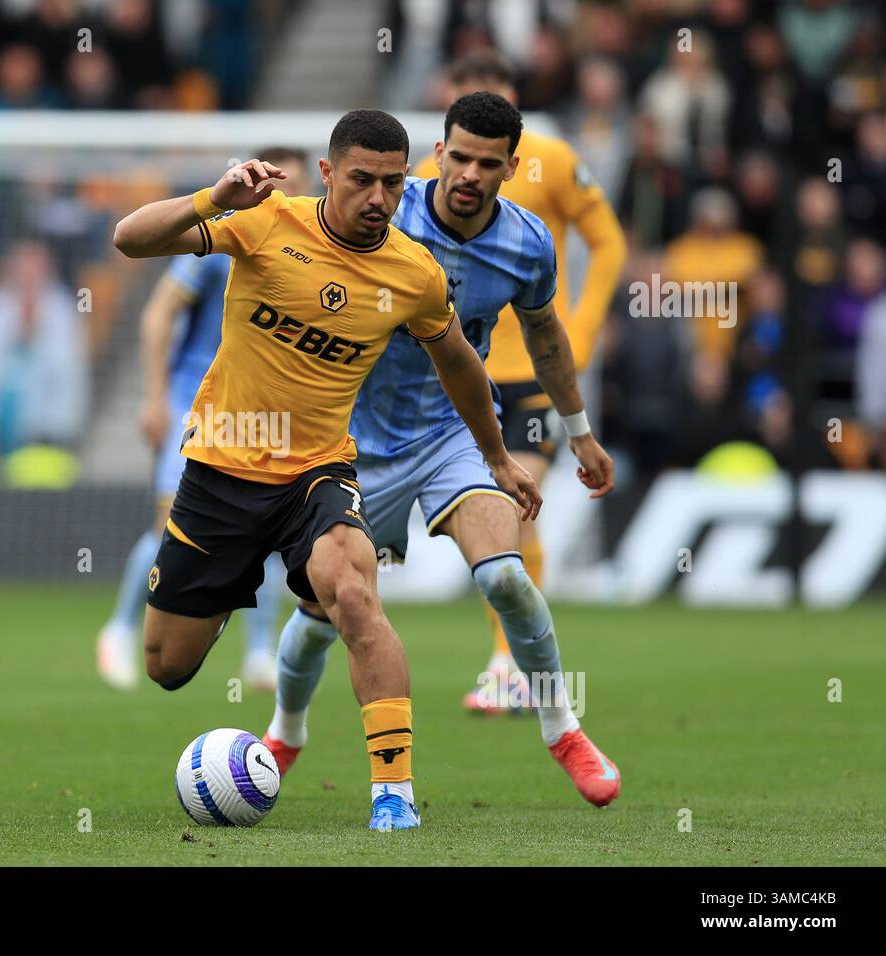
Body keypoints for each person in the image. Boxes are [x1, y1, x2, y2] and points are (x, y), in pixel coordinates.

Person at [112, 109, 542, 830]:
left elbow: (462, 365)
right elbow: (129, 240)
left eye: (394, 183)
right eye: (362, 180)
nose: (378, 197)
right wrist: (214, 197)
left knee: (353, 594)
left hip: (319, 474)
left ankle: (394, 792)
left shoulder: (412, 272)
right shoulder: (265, 221)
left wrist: (496, 454)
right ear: (328, 174)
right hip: (220, 471)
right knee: (166, 667)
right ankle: (224, 594)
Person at [263, 92, 622, 808]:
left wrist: (578, 431)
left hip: (457, 433)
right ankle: (285, 732)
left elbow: (546, 336)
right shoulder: (386, 214)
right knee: (324, 612)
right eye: (458, 156)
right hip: (352, 444)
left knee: (506, 578)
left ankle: (562, 728)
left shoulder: (526, 243)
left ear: (511, 168)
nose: (469, 174)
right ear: (437, 154)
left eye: (488, 164)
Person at [415, 52, 627, 713]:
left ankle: (508, 664)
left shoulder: (554, 160)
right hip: (457, 381)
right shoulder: (424, 179)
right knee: (481, 521)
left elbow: (609, 242)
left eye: (493, 95)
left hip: (533, 373)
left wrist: (583, 326)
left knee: (515, 511)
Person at [95, 147, 311, 693]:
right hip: (201, 400)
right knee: (171, 523)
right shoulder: (230, 235)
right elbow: (158, 313)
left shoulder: (316, 252)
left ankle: (259, 652)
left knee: (267, 527)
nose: (293, 197)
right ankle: (119, 630)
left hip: (266, 407)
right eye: (284, 183)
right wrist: (154, 398)